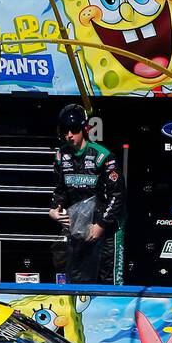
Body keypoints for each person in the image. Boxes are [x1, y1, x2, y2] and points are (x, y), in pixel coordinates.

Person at [49, 103, 125, 284]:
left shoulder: (102, 156)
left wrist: (101, 225)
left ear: (84, 129)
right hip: (79, 228)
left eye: (74, 130)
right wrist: (54, 209)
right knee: (78, 278)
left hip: (108, 228)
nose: (69, 135)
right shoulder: (61, 155)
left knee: (109, 279)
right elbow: (60, 190)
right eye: (65, 131)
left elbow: (118, 195)